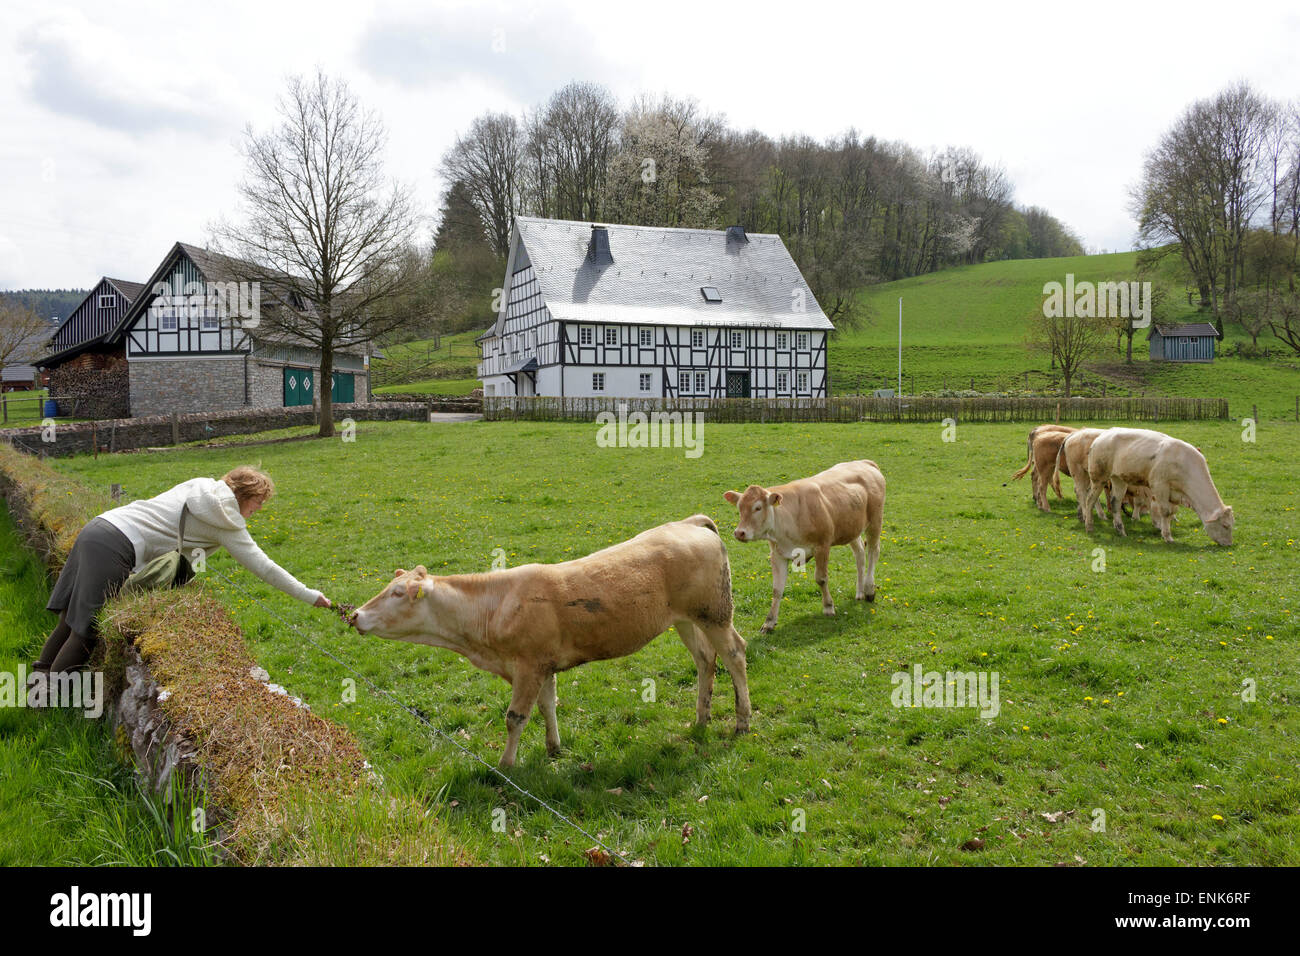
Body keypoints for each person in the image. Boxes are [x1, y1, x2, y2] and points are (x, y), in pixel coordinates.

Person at [33, 465, 332, 674]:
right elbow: (265, 568)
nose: (260, 508)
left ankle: (37, 683)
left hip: (98, 527)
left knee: (70, 620)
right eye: (258, 501)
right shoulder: (227, 524)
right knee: (87, 631)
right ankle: (46, 705)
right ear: (243, 496)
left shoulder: (200, 486)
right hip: (117, 545)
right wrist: (310, 595)